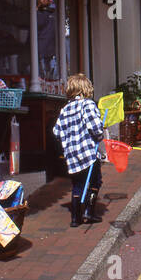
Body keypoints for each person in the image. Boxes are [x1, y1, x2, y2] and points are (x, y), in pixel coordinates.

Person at [52, 73, 105, 226]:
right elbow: (95, 128)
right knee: (96, 181)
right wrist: (100, 133)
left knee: (77, 184)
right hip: (88, 152)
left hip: (72, 155)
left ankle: (75, 218)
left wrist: (68, 140)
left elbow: (56, 131)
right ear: (85, 89)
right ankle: (89, 211)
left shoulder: (65, 109)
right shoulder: (87, 105)